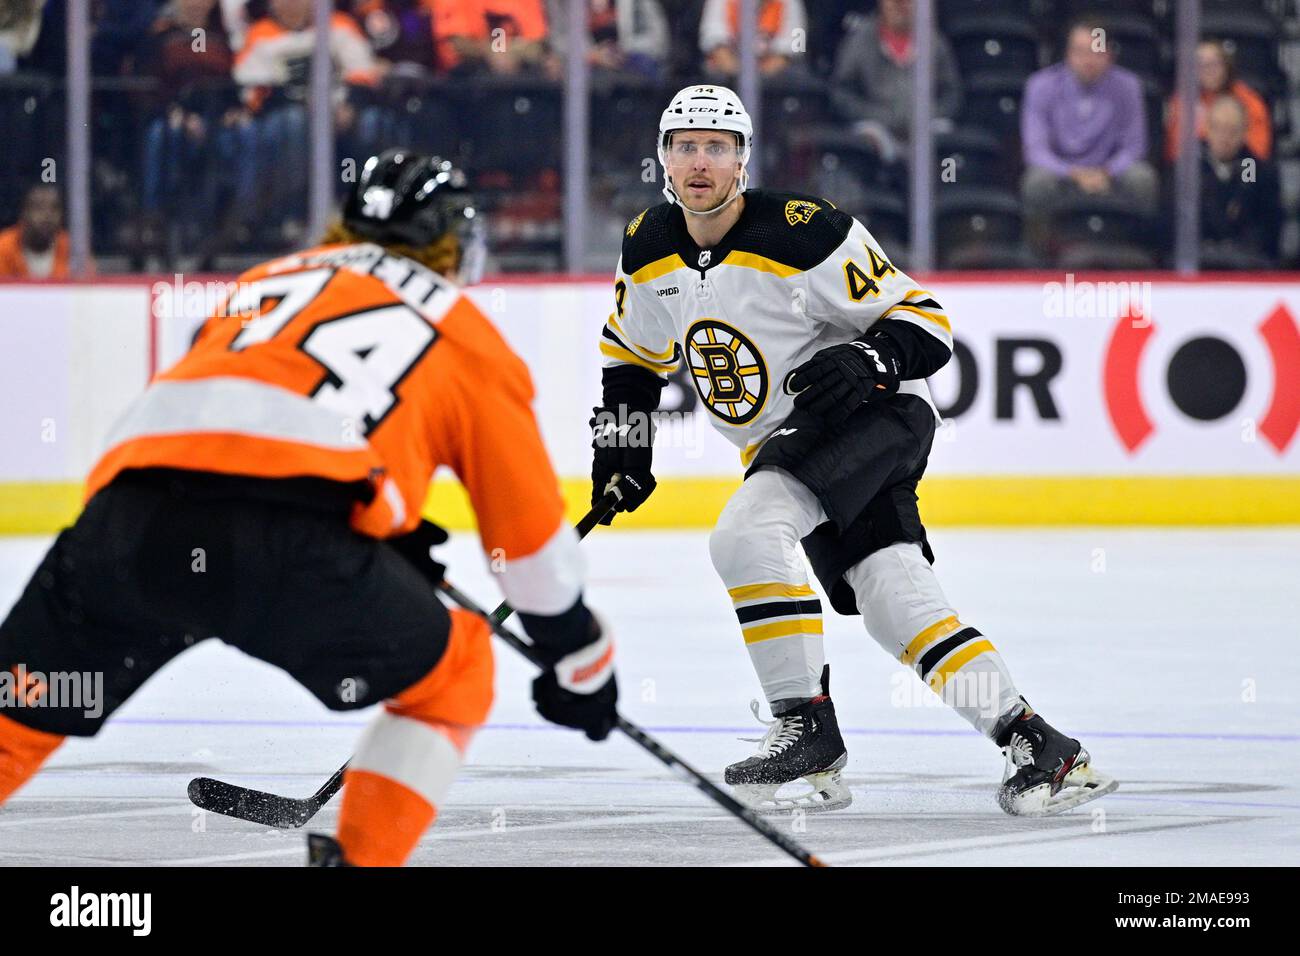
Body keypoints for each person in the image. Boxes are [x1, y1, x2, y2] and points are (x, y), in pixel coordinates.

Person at [0, 150, 618, 867]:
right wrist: (582, 660)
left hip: (123, 527)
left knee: (18, 709)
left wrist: (378, 521)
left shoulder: (270, 279)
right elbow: (533, 555)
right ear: (453, 241)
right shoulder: (466, 332)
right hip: (289, 553)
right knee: (457, 674)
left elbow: (237, 420)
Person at [590, 85, 1116, 816]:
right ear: (663, 158)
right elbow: (631, 357)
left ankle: (804, 725)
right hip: (794, 445)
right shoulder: (648, 246)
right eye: (686, 145)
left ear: (743, 159)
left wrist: (869, 359)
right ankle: (1039, 745)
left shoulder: (807, 232)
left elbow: (926, 323)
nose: (700, 160)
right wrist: (622, 450)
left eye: (717, 145)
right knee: (891, 600)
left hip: (871, 419)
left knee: (746, 535)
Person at [1021, 18, 1157, 246]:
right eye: (1080, 51)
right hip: (1062, 172)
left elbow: (1134, 146)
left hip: (1109, 173)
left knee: (1142, 178)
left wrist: (1107, 171)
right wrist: (1073, 173)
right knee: (1036, 182)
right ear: (1067, 54)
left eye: (1096, 51)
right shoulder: (1041, 85)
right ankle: (1038, 256)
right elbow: (1035, 150)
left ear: (1109, 55)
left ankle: (1139, 252)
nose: (1088, 60)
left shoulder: (1128, 86)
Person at [829, 0, 962, 158]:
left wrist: (926, 115)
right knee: (865, 140)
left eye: (907, 2)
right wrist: (878, 116)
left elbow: (952, 94)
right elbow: (842, 93)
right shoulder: (859, 41)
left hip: (924, 128)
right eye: (895, 2)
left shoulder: (935, 42)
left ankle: (941, 182)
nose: (901, 7)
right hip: (877, 127)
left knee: (945, 137)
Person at [1199, 95, 1280, 268]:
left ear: (1244, 132)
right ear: (1207, 128)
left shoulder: (1251, 167)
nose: (1224, 137)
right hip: (1199, 260)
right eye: (1218, 128)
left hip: (1246, 264)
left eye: (1232, 130)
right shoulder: (1190, 168)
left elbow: (1264, 223)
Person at [1166, 40, 1271, 163]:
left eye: (1214, 64)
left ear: (1227, 66)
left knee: (1250, 173)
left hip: (1243, 164)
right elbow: (1174, 151)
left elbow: (1258, 151)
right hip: (1201, 167)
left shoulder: (1249, 100)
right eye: (1200, 65)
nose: (1207, 71)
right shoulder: (1182, 101)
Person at [0, 183, 76, 278]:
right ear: (23, 212)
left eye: (54, 208)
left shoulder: (73, 249)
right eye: (39, 207)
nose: (47, 215)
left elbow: (90, 289)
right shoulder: (3, 247)